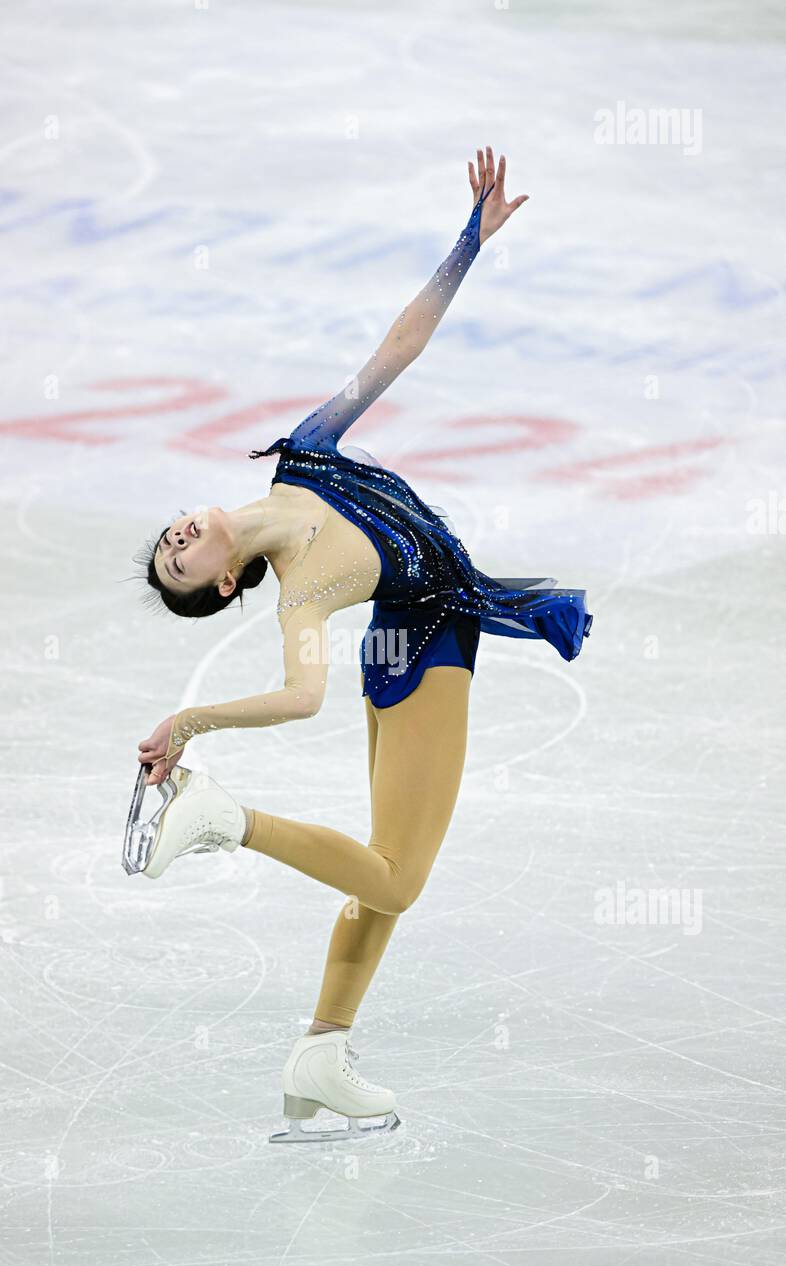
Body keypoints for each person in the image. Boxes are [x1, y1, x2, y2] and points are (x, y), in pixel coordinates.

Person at [131, 146, 592, 1141]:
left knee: (381, 868)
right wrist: (192, 725)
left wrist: (465, 244)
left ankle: (320, 1051)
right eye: (177, 563)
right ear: (221, 581)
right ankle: (223, 821)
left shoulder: (306, 448)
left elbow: (398, 346)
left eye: (167, 536)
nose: (174, 537)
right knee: (397, 878)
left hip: (408, 637)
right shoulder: (303, 587)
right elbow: (300, 697)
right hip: (425, 643)